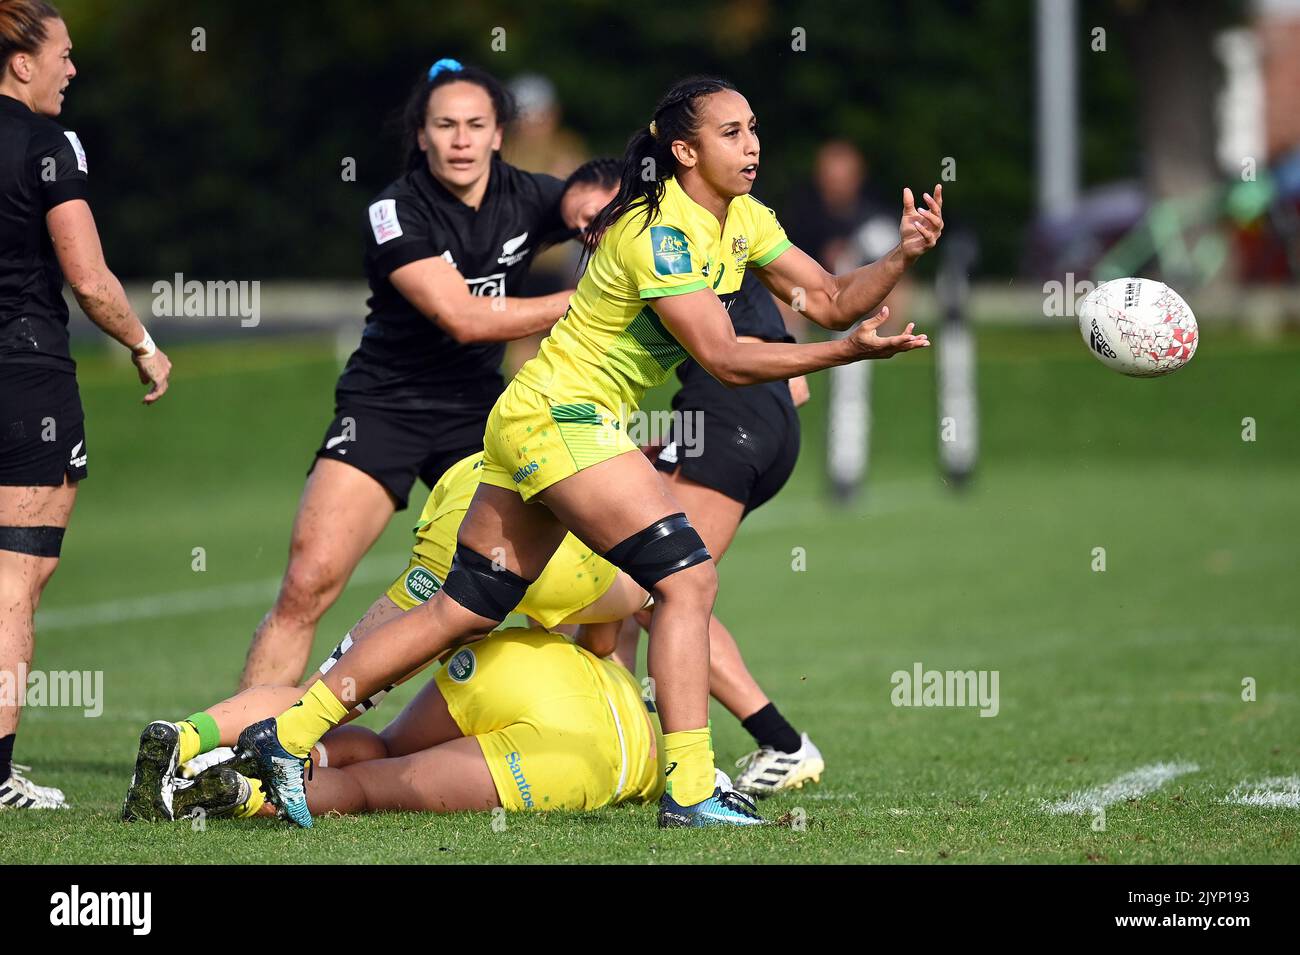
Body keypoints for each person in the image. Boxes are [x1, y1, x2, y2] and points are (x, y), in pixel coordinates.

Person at [240, 75, 943, 830]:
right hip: (562, 419)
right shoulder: (658, 232)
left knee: (463, 607)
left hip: (536, 416)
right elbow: (727, 356)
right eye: (732, 132)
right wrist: (843, 355)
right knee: (685, 579)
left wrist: (900, 257)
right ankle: (690, 790)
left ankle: (283, 733)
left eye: (753, 128)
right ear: (684, 150)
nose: (753, 144)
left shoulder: (743, 217)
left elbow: (832, 296)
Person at [239, 59, 582, 690]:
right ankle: (236, 755)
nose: (460, 139)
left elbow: (603, 201)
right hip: (385, 406)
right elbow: (463, 318)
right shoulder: (395, 210)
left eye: (475, 124)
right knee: (308, 582)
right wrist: (581, 300)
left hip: (479, 412)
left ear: (498, 134)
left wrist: (613, 209)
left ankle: (560, 733)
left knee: (545, 577)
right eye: (444, 125)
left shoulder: (529, 195)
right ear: (421, 135)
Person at [0, 0, 171, 811]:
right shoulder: (46, 144)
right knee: (15, 573)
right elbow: (90, 277)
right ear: (20, 61)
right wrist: (142, 343)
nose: (73, 69)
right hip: (23, 374)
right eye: (62, 55)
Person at [130, 627, 673, 822]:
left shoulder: (493, 467)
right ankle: (244, 793)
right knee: (369, 789)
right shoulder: (657, 766)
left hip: (524, 658)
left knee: (376, 737)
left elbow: (602, 638)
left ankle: (202, 740)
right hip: (572, 756)